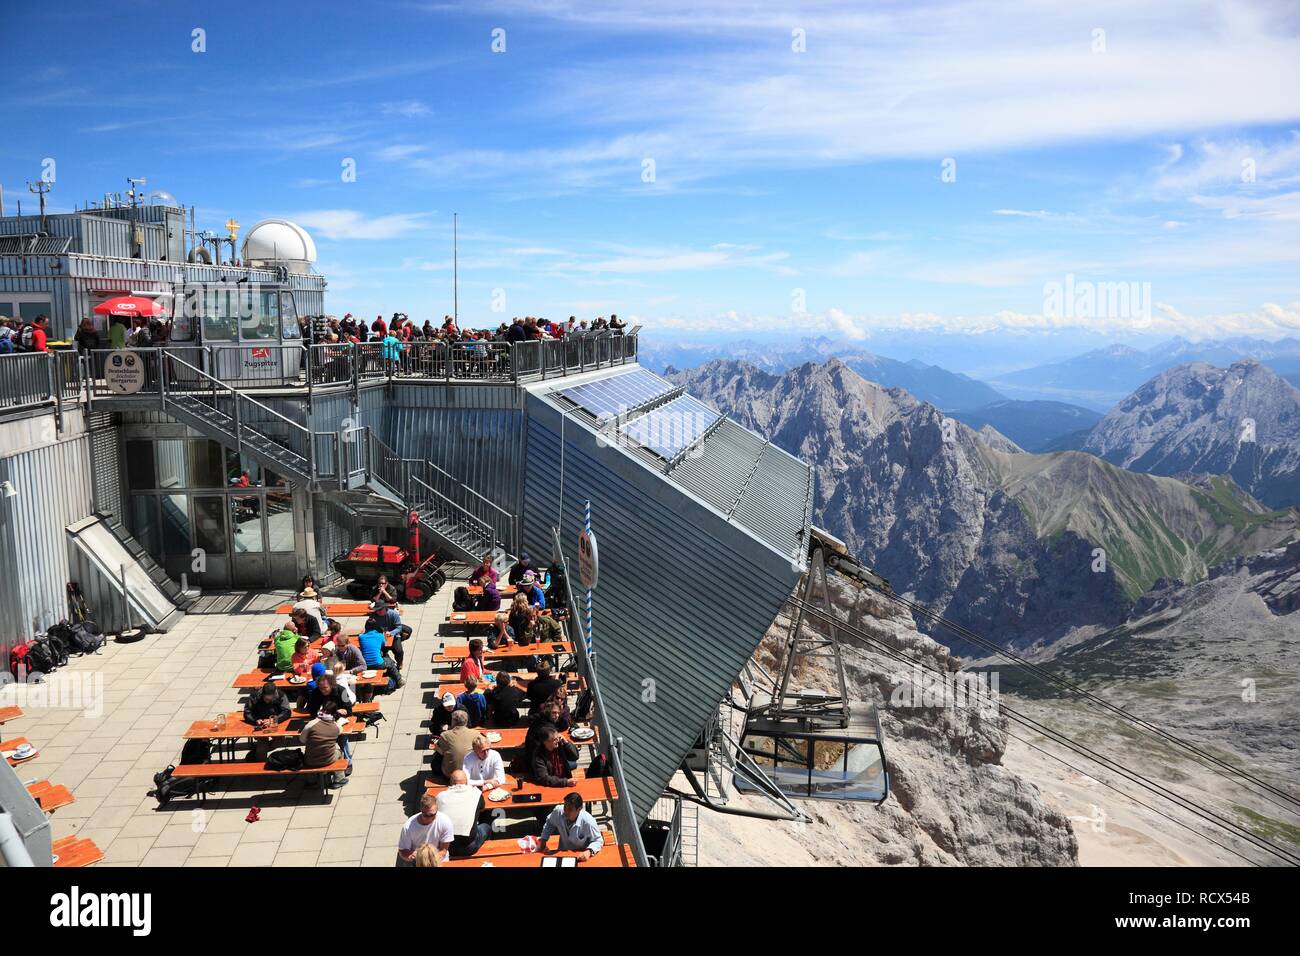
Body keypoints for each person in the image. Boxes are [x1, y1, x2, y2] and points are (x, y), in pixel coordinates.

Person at [437, 769, 492, 857]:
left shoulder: (440, 796)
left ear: (451, 782)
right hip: (469, 847)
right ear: (466, 782)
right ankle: (488, 852)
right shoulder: (476, 794)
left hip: (445, 846)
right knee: (487, 826)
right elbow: (482, 809)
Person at [541, 793, 605, 860]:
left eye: (570, 809)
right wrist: (543, 840)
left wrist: (589, 852)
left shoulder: (589, 822)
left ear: (579, 809)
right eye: (565, 806)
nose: (566, 811)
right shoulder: (558, 811)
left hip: (580, 856)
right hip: (562, 853)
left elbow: (598, 840)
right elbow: (550, 823)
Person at [397, 793, 453, 866]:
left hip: (438, 858)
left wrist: (431, 860)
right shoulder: (408, 827)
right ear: (421, 810)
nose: (429, 818)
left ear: (437, 809)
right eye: (426, 815)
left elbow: (443, 850)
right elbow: (403, 850)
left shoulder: (445, 821)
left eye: (432, 815)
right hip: (418, 859)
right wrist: (412, 856)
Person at [300, 706, 346, 787]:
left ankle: (311, 782)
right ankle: (339, 779)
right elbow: (340, 731)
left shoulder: (311, 724)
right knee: (340, 752)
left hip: (310, 760)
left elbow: (302, 740)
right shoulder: (336, 726)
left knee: (306, 756)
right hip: (328, 760)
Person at [434, 709, 478, 779]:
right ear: (466, 721)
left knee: (437, 758)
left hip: (451, 775)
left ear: (452, 721)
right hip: (472, 773)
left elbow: (440, 751)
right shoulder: (475, 733)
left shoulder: (445, 735)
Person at [358, 624, 403, 691]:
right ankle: (399, 680)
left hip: (365, 665)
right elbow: (384, 644)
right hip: (378, 664)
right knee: (390, 662)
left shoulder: (361, 637)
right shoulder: (379, 636)